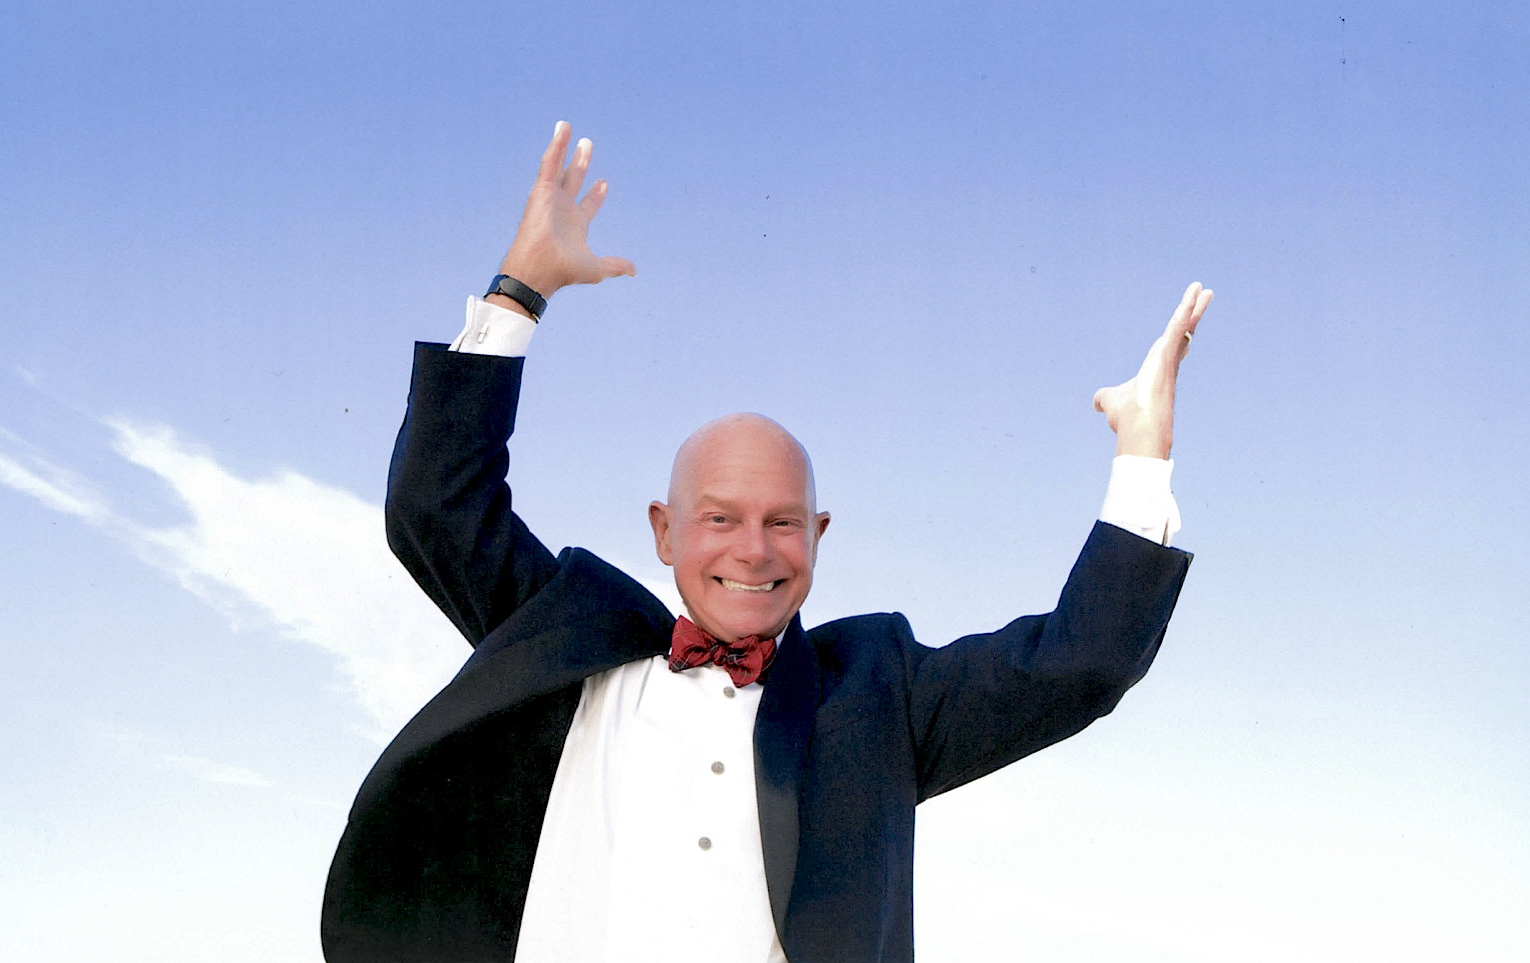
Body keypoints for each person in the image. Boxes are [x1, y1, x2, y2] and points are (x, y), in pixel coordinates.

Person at [322, 121, 1211, 962]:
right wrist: (520, 288)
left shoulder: (881, 695)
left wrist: (1143, 453)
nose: (754, 548)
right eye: (719, 517)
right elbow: (434, 509)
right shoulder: (561, 634)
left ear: (817, 535)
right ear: (663, 532)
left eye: (783, 520)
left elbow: (1080, 662)